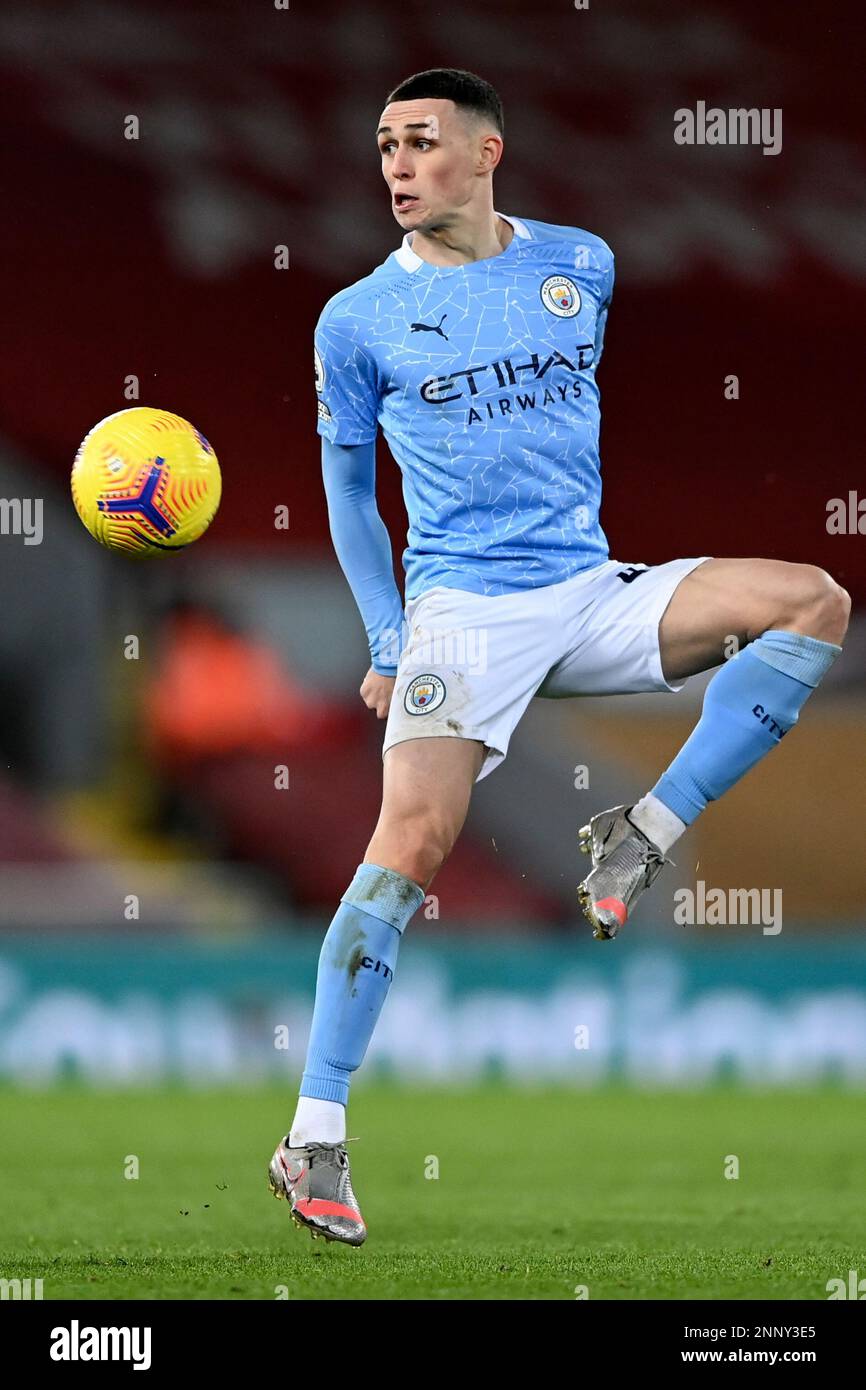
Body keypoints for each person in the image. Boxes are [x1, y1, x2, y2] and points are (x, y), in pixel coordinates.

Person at [268, 68, 850, 1246]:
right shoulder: (354, 319)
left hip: (587, 591)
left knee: (813, 600)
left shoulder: (579, 265)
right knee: (408, 846)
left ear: (486, 153)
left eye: (419, 142)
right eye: (382, 145)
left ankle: (642, 832)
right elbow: (345, 494)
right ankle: (315, 1133)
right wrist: (389, 637)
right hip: (463, 618)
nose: (394, 164)